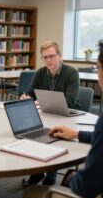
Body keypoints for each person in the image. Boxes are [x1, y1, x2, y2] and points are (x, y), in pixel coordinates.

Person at [23, 34, 103, 198]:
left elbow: (86, 187)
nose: (97, 73)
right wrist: (77, 134)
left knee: (32, 194)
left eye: (97, 68)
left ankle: (47, 178)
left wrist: (70, 177)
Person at [20, 40, 81, 187]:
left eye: (51, 56)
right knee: (32, 131)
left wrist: (40, 101)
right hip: (47, 112)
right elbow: (30, 92)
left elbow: (70, 101)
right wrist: (26, 97)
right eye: (45, 57)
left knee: (53, 134)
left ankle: (50, 177)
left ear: (59, 55)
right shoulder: (41, 72)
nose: (48, 60)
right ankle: (38, 171)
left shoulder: (71, 72)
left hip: (68, 115)